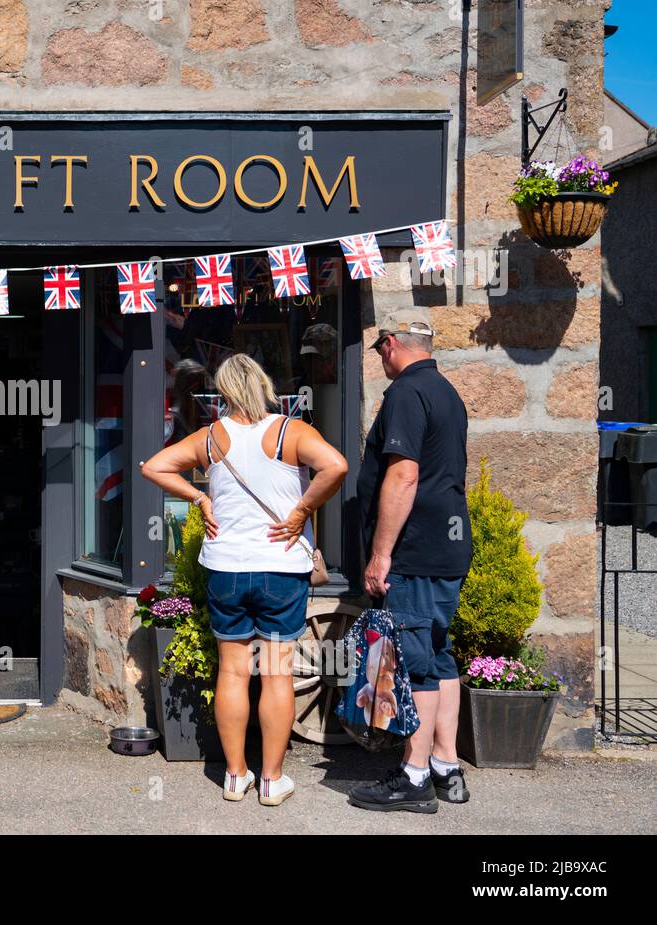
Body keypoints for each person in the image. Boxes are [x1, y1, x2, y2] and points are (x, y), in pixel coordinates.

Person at [142, 354, 348, 806]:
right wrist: (300, 512)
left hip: (227, 569)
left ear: (225, 392)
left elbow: (152, 467)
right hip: (280, 569)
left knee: (232, 670)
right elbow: (336, 466)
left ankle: (236, 776)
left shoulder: (211, 437)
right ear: (264, 385)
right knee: (275, 673)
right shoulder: (290, 431)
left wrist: (199, 497)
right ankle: (271, 780)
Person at [349, 306, 473, 814]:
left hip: (415, 550)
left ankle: (415, 776)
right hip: (446, 546)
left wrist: (380, 554)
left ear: (393, 343)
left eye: (380, 347)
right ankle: (447, 766)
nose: (379, 356)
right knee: (440, 653)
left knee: (413, 661)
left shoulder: (405, 392)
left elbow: (403, 476)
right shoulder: (446, 391)